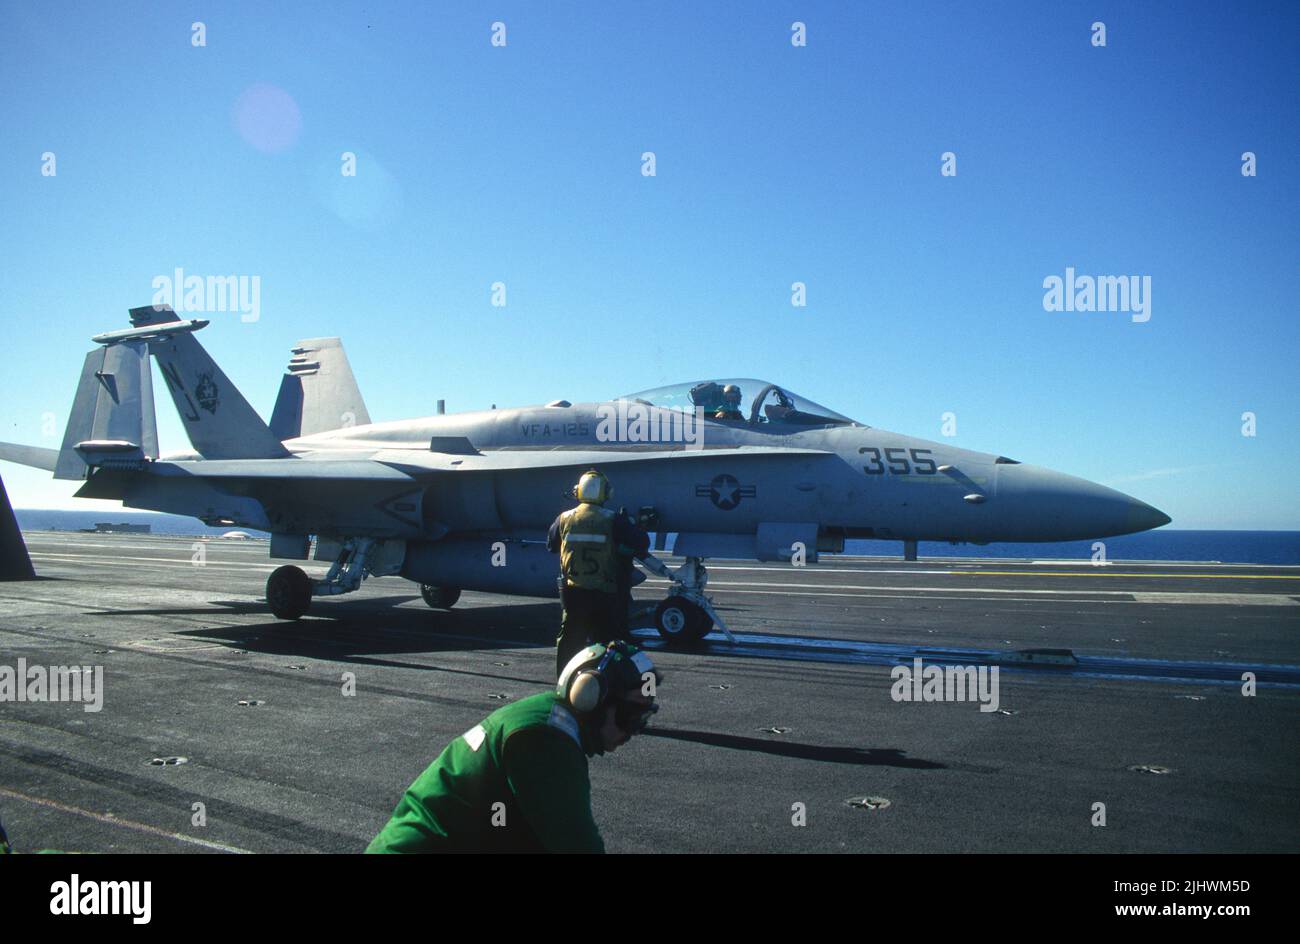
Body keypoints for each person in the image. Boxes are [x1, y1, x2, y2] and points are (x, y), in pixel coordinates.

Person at [365, 641, 660, 854]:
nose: (635, 729)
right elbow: (575, 843)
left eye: (644, 718)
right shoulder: (545, 739)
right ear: (590, 698)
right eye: (631, 715)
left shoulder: (549, 719)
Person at [547, 470, 650, 677]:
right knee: (608, 645)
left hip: (573, 594)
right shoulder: (613, 520)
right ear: (606, 494)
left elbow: (551, 545)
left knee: (569, 641)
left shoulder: (564, 519)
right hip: (606, 594)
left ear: (578, 491)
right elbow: (641, 542)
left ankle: (565, 684)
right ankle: (601, 686)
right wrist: (636, 525)